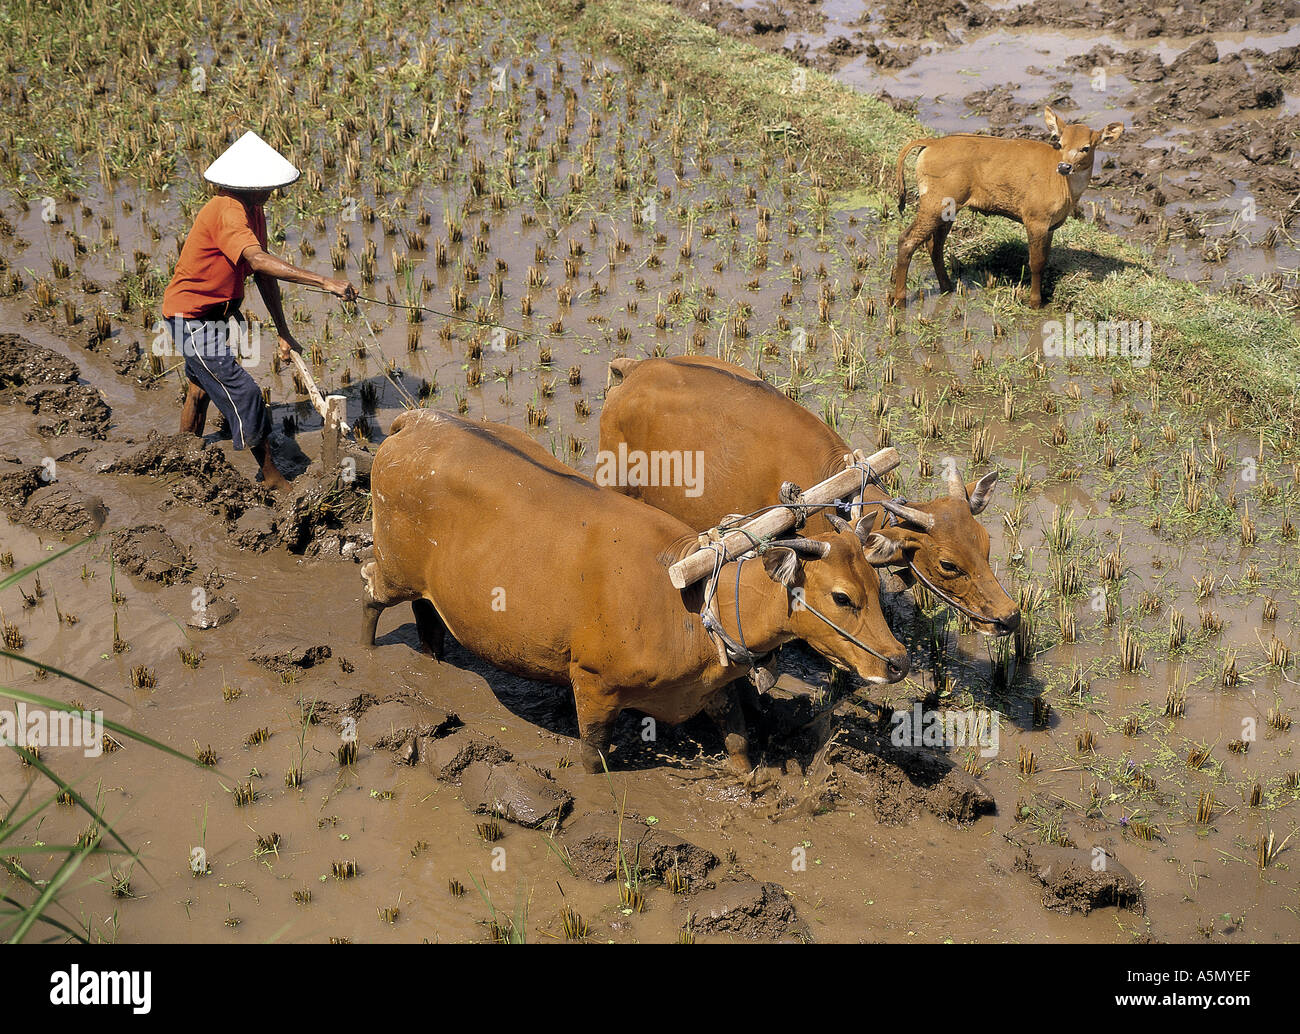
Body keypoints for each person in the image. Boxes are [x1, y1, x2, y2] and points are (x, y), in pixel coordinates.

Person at [160, 130, 356, 490]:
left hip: (216, 315)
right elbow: (257, 259)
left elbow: (262, 275)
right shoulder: (226, 210)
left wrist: (283, 331)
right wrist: (325, 282)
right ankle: (270, 476)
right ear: (247, 184)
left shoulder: (254, 211)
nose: (272, 192)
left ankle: (183, 453)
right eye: (266, 185)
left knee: (200, 389)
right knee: (245, 393)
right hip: (191, 319)